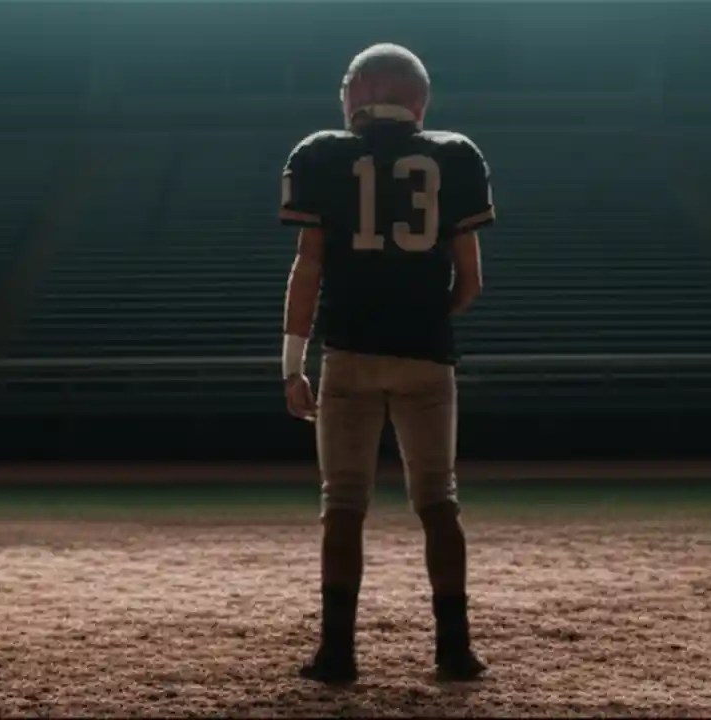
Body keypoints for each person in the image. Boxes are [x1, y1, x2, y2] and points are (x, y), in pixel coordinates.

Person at [277, 43, 495, 684]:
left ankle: (337, 653)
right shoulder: (454, 156)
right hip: (427, 356)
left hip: (348, 353)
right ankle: (454, 650)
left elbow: (308, 267)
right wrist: (423, 316)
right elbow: (472, 279)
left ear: (362, 91)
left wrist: (293, 362)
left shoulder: (320, 154)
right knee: (439, 503)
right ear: (418, 100)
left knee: (342, 504)